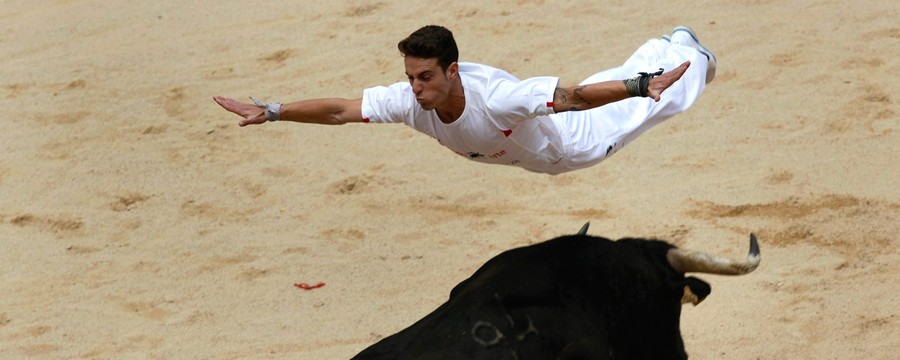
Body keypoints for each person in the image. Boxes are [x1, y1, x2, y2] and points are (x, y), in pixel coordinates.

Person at [214, 25, 715, 175]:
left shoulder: (497, 100)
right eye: (409, 76)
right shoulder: (410, 101)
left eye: (425, 77)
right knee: (630, 79)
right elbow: (343, 110)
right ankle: (663, 49)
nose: (415, 88)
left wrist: (638, 87)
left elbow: (578, 98)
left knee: (650, 105)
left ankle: (693, 57)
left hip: (571, 144)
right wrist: (276, 111)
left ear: (452, 71)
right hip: (529, 153)